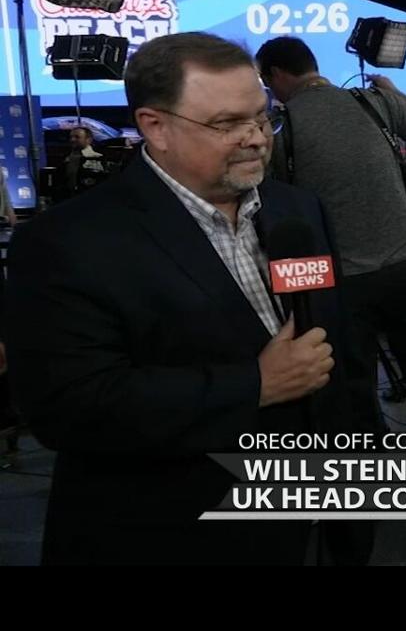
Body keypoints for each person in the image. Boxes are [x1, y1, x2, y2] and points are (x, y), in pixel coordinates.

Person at [4, 32, 348, 565]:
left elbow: (330, 347)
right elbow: (66, 409)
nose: (256, 138)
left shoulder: (298, 211)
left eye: (262, 118)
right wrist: (255, 384)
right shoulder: (67, 242)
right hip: (164, 535)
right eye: (226, 124)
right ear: (154, 127)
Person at [256, 37, 406, 446]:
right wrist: (394, 92)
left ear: (277, 74)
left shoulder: (283, 125)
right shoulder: (374, 101)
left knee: (356, 381)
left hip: (342, 279)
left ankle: (373, 478)